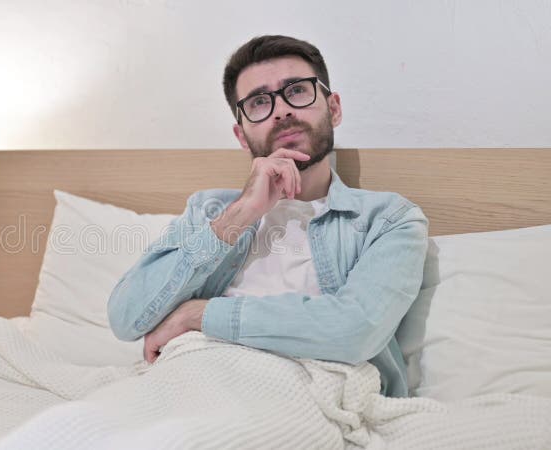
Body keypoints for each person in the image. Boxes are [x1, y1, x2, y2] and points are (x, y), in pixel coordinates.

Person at [107, 35, 428, 397]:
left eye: (297, 90)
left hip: (309, 396)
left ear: (333, 108)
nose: (282, 110)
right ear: (242, 137)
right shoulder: (209, 212)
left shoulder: (389, 220)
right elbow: (126, 317)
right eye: (259, 102)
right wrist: (242, 213)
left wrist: (199, 315)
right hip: (192, 382)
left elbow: (355, 331)